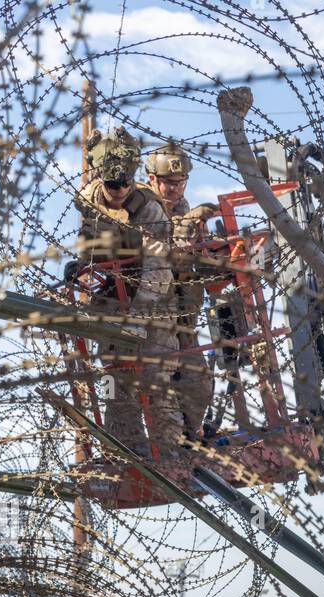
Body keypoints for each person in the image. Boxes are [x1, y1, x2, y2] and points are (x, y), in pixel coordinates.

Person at [77, 128, 184, 466]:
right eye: (113, 185)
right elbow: (90, 245)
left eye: (126, 183)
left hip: (154, 296)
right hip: (114, 293)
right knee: (114, 376)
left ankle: (169, 454)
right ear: (101, 179)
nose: (121, 191)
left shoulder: (149, 209)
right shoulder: (89, 201)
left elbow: (159, 270)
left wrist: (138, 320)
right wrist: (80, 267)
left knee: (155, 376)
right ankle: (123, 452)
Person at [145, 141, 217, 440]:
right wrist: (186, 227)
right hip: (152, 320)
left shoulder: (181, 207)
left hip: (182, 318)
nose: (175, 189)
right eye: (169, 183)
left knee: (198, 382)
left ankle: (188, 439)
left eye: (181, 183)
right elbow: (156, 250)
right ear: (152, 179)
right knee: (158, 389)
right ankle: (167, 447)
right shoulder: (142, 206)